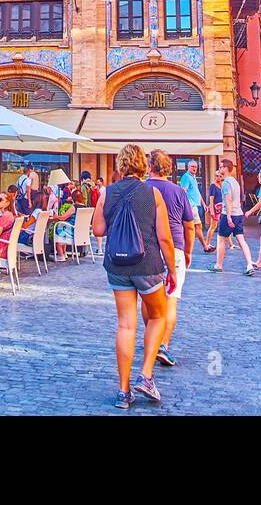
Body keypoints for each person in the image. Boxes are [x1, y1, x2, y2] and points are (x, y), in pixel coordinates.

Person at [93, 144, 177, 410]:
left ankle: (123, 391)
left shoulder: (107, 192)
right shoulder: (152, 193)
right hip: (148, 265)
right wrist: (172, 270)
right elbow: (164, 238)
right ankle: (146, 375)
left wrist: (103, 204)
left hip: (118, 265)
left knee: (125, 325)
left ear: (120, 165)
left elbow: (98, 230)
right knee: (158, 316)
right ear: (142, 164)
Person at [144, 150, 196, 367]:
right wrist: (188, 251)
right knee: (171, 299)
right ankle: (163, 344)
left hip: (147, 249)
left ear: (149, 167)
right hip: (174, 247)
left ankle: (152, 339)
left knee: (148, 297)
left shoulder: (143, 188)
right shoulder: (178, 191)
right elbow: (189, 226)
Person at [212, 159, 255, 275]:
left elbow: (228, 200)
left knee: (221, 239)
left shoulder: (226, 183)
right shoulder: (235, 182)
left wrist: (229, 217)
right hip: (239, 214)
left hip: (228, 214)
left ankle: (218, 265)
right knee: (241, 240)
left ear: (226, 168)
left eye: (221, 167)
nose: (220, 169)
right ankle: (249, 264)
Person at [177, 161, 211, 252]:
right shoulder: (186, 177)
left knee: (193, 227)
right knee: (195, 227)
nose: (194, 168)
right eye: (192, 166)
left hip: (194, 206)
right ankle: (203, 246)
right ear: (188, 167)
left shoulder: (193, 177)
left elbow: (197, 192)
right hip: (190, 206)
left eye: (195, 167)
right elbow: (183, 192)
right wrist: (184, 206)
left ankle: (204, 246)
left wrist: (204, 204)